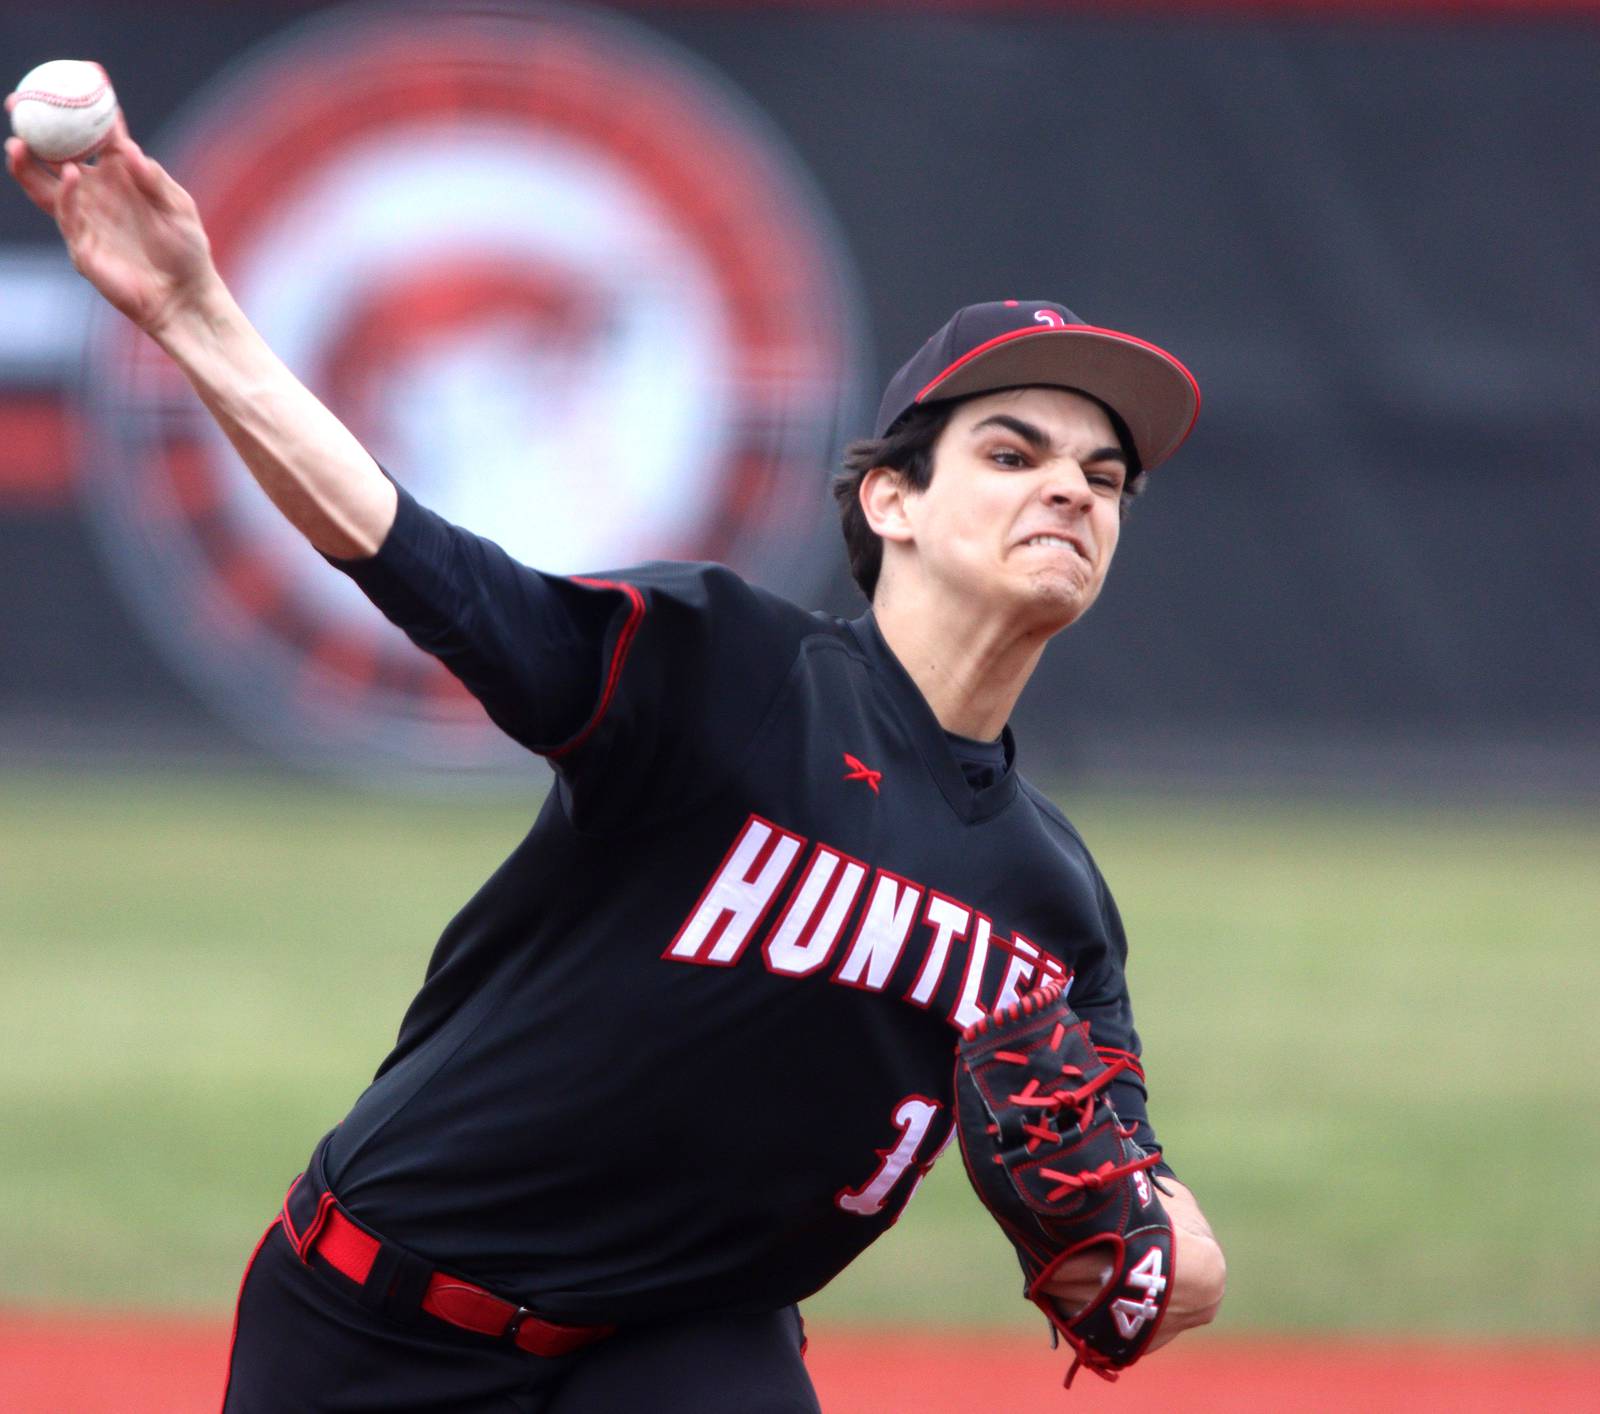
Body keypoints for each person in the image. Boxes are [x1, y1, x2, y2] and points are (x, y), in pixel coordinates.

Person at [8, 114, 1225, 1412]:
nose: (1074, 491)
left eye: (1106, 475)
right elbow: (416, 557)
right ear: (891, 502)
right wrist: (195, 315)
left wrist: (1134, 1257)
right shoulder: (725, 674)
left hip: (680, 1343)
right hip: (380, 1319)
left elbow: (1166, 1257)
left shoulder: (1047, 900)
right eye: (1012, 451)